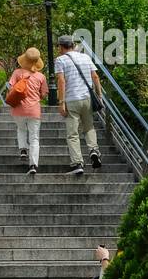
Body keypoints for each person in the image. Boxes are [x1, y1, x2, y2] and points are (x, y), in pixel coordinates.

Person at [55, 35, 103, 175]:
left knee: (72, 134)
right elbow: (95, 76)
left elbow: (62, 81)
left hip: (71, 99)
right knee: (89, 128)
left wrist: (61, 102)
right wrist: (99, 96)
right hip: (87, 98)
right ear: (73, 45)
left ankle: (77, 163)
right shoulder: (85, 57)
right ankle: (93, 150)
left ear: (61, 47)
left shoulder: (60, 60)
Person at [7, 47, 48, 174]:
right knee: (34, 137)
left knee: (21, 129)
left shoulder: (17, 73)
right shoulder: (41, 76)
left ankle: (23, 149)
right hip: (34, 110)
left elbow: (9, 87)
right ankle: (33, 165)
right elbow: (44, 93)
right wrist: (37, 96)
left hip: (18, 109)